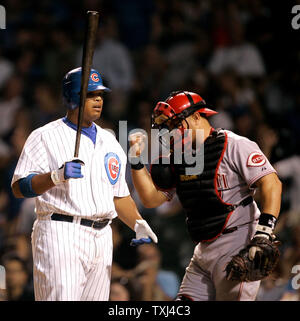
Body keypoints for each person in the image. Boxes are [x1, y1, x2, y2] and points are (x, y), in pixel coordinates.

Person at [11, 67, 158, 301]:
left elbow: (119, 197)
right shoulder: (45, 135)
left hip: (102, 236)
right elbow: (19, 187)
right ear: (72, 97)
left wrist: (138, 222)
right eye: (90, 94)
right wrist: (55, 176)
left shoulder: (110, 141)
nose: (99, 99)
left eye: (100, 94)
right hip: (61, 231)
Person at [129, 90, 282, 301]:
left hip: (237, 243)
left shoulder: (233, 144)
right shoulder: (180, 157)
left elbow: (271, 183)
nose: (171, 132)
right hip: (203, 248)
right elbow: (151, 199)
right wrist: (136, 163)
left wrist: (264, 232)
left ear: (195, 116)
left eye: (175, 124)